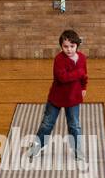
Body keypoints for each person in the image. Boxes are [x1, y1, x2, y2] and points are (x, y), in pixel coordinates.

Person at [26, 29, 87, 161]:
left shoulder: (82, 58)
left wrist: (83, 87)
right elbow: (63, 78)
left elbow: (84, 75)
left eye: (72, 46)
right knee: (47, 124)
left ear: (77, 45)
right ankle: (36, 147)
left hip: (73, 98)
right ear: (61, 46)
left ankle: (78, 150)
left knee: (74, 125)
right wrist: (79, 73)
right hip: (56, 98)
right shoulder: (59, 59)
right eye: (65, 46)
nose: (69, 49)